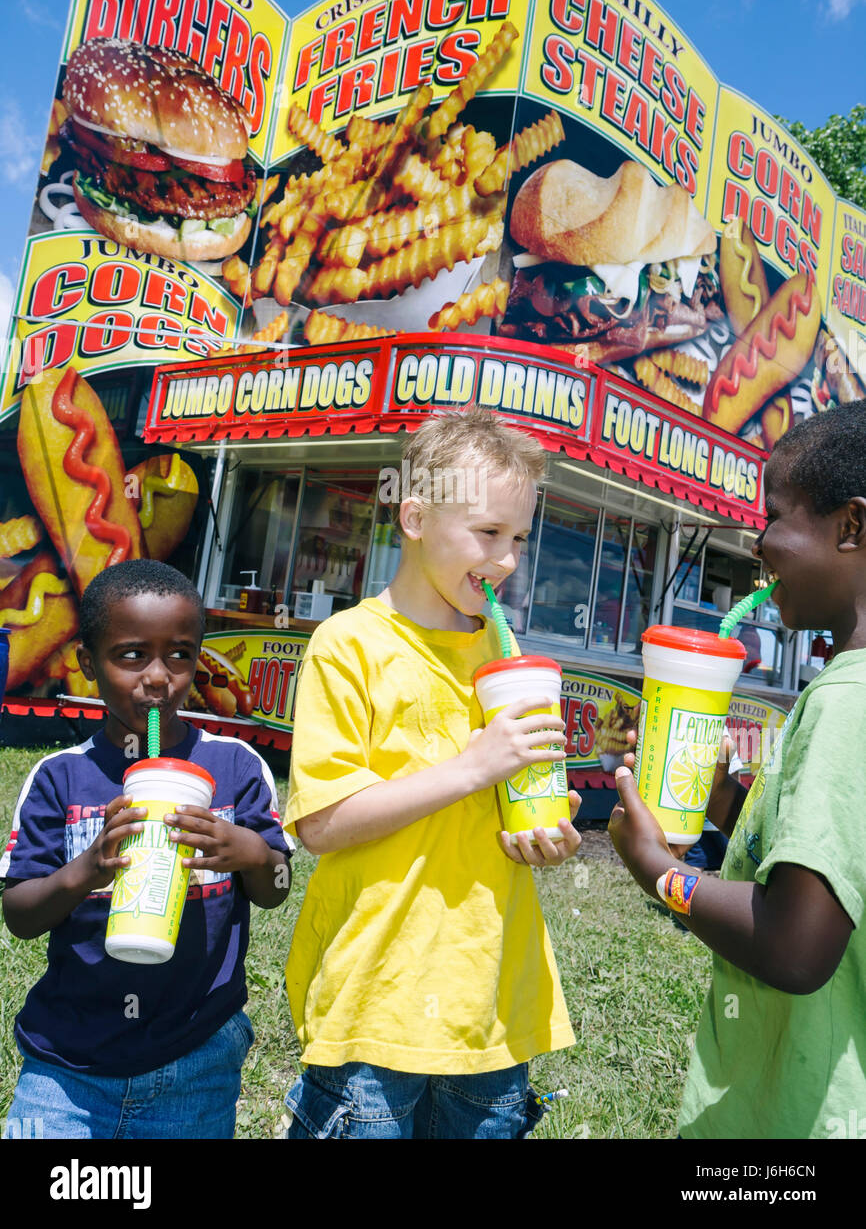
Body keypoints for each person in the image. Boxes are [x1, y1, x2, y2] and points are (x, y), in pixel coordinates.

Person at [283, 408, 579, 1139]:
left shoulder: (509, 663)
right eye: (487, 533)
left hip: (490, 1010)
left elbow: (515, 808)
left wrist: (545, 831)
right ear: (414, 516)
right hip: (373, 1010)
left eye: (518, 538)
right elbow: (323, 823)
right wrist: (473, 766)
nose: (506, 559)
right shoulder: (348, 644)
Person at [608, 400, 866, 1139]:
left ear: (851, 526)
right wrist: (725, 800)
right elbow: (829, 861)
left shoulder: (846, 704)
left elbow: (795, 944)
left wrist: (659, 870)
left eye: (775, 514)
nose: (758, 542)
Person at [1, 560, 292, 1139]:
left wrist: (251, 854)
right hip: (68, 1065)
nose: (158, 678)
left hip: (196, 1054)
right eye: (131, 655)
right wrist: (85, 870)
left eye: (180, 654)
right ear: (88, 664)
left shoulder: (235, 768)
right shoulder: (61, 778)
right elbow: (20, 915)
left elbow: (277, 889)